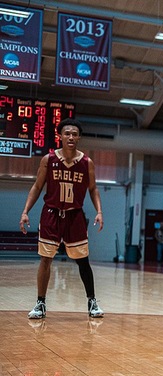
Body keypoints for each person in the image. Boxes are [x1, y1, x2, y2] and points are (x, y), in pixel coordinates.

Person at [19, 119, 104, 320]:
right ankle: (40, 303)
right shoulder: (48, 160)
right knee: (46, 259)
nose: (71, 137)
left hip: (75, 215)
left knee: (83, 261)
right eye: (67, 133)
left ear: (79, 137)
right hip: (51, 213)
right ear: (60, 136)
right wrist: (25, 211)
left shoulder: (86, 163)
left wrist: (99, 211)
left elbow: (93, 189)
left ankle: (92, 302)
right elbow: (37, 187)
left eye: (74, 134)